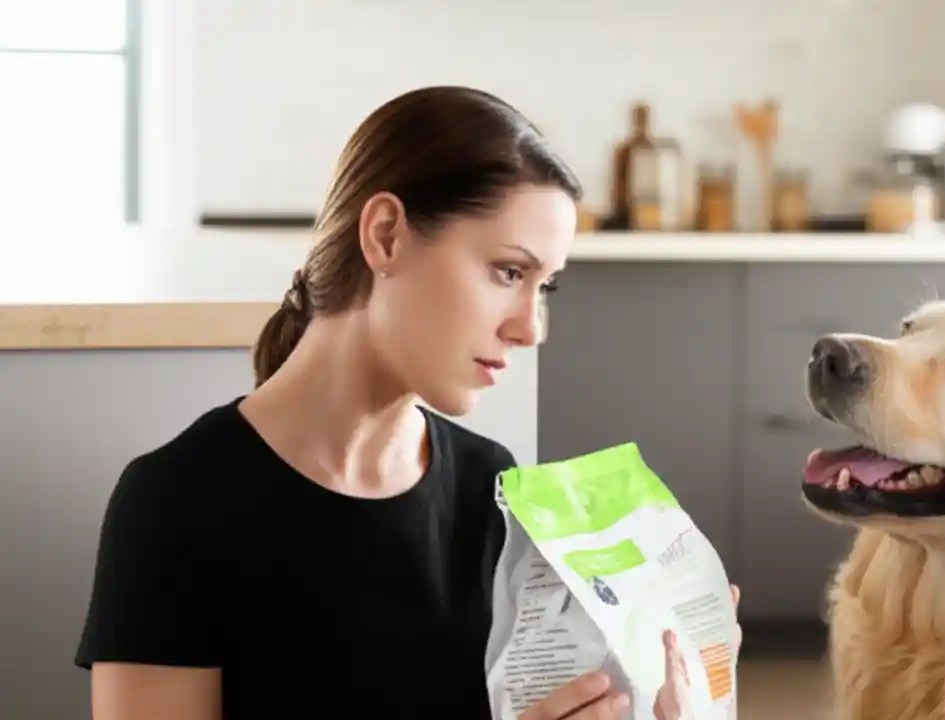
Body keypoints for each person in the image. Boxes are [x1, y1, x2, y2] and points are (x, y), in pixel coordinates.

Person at [74, 86, 737, 719]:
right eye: (509, 272)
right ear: (386, 234)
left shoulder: (494, 491)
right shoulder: (174, 504)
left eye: (545, 287)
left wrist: (668, 687)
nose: (530, 328)